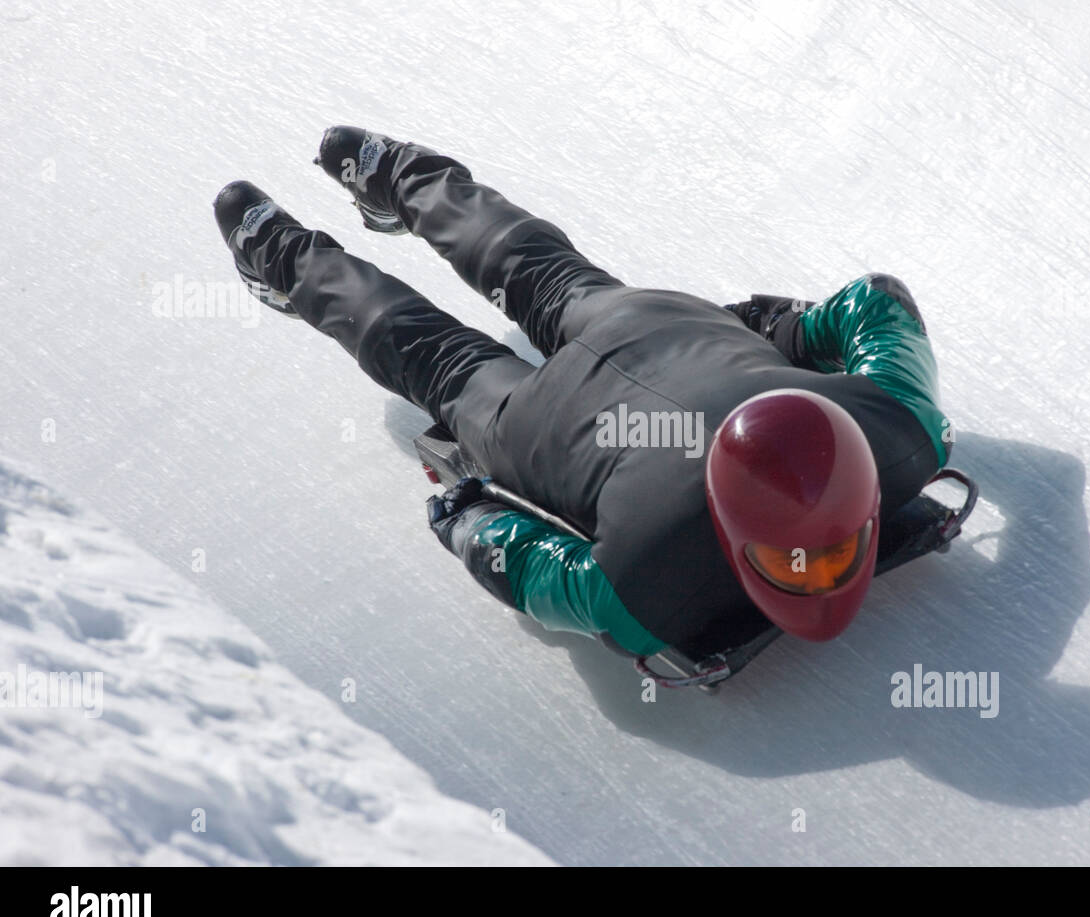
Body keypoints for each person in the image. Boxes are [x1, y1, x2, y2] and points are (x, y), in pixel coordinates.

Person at [213, 127, 951, 659]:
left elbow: (873, 303)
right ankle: (283, 252)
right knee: (430, 353)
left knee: (529, 265)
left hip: (657, 332)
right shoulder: (644, 593)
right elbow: (529, 567)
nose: (825, 577)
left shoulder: (899, 427)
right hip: (542, 426)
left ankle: (391, 171)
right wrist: (466, 519)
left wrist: (781, 332)